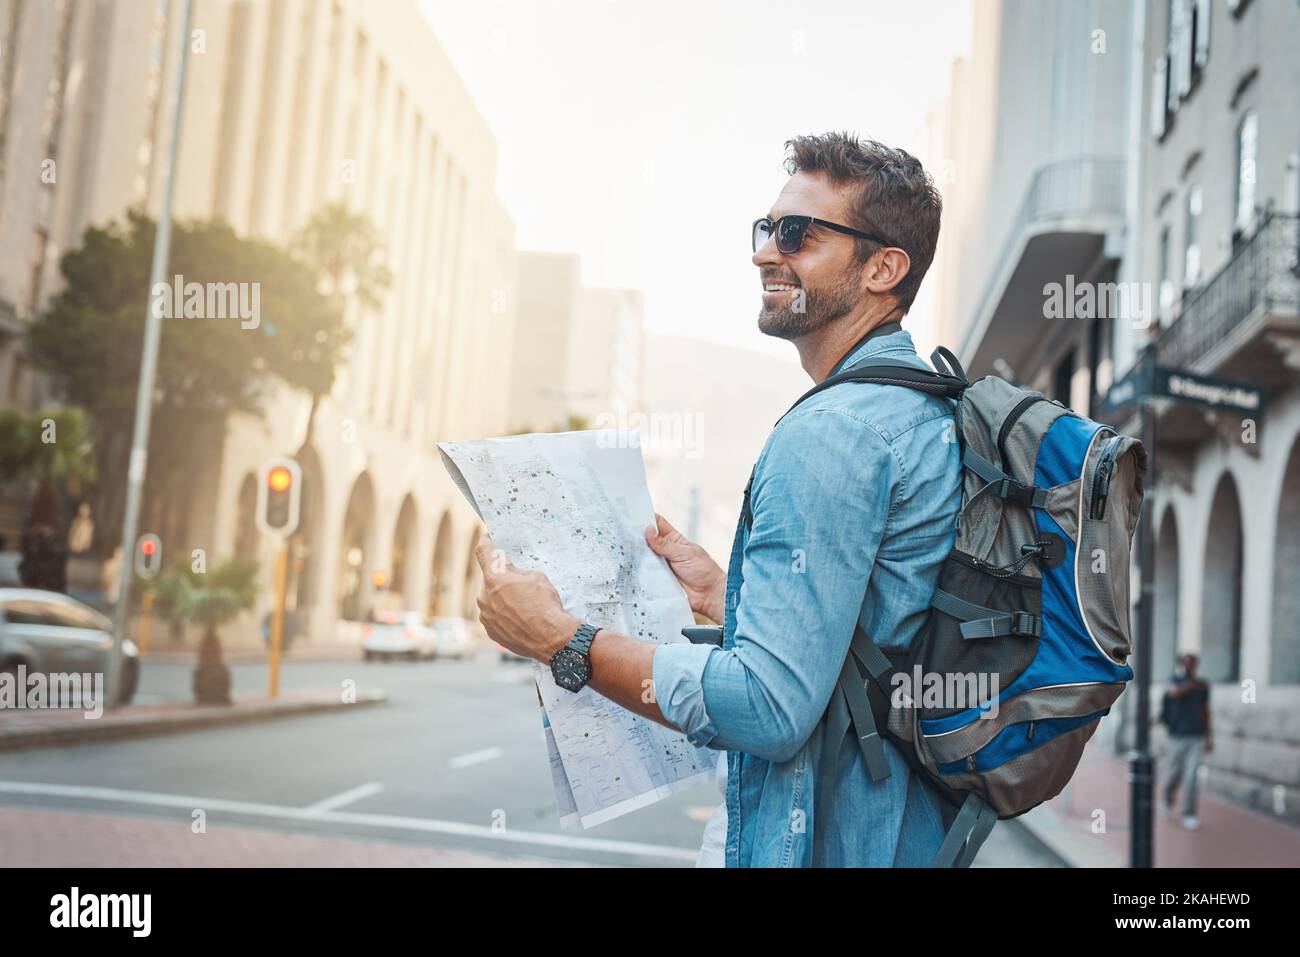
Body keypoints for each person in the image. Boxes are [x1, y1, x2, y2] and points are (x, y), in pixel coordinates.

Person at [475, 132, 960, 866]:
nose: (767, 251)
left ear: (883, 268)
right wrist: (732, 597)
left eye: (798, 234)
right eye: (766, 228)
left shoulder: (833, 432)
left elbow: (767, 707)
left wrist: (562, 640)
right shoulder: (914, 411)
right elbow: (873, 640)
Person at [1160, 652, 1212, 830]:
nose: (1190, 666)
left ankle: (1188, 813)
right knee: (1172, 775)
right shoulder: (1173, 680)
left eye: (1193, 663)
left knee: (1191, 777)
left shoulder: (1202, 686)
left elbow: (1206, 710)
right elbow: (1174, 694)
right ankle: (1167, 800)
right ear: (1182, 664)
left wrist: (1209, 736)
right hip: (1177, 736)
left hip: (1196, 736)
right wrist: (1193, 685)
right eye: (1186, 662)